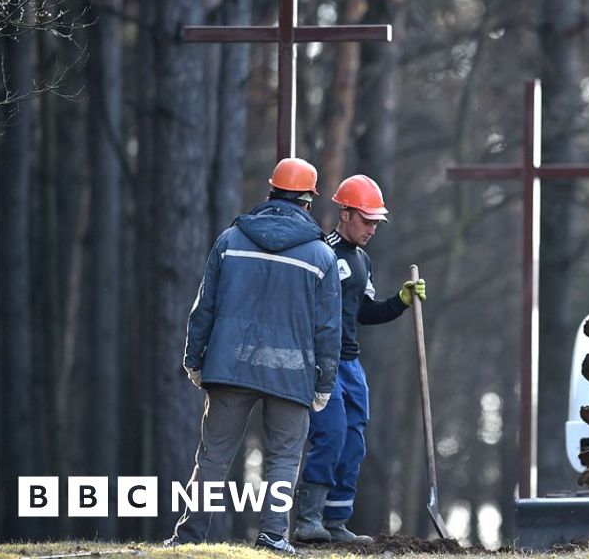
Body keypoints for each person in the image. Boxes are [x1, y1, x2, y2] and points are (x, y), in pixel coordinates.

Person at [165, 158, 342, 555]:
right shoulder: (321, 256)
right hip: (291, 372)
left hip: (229, 364)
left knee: (213, 456)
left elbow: (204, 306)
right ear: (307, 201)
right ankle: (273, 536)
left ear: (270, 193)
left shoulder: (230, 240)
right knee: (284, 458)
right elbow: (328, 329)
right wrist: (324, 383)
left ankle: (190, 537)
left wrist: (195, 359)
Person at [293, 174, 426, 544]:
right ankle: (308, 520)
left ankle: (336, 522)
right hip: (323, 361)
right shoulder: (321, 252)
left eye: (376, 223)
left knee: (353, 442)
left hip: (352, 366)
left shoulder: (364, 261)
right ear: (345, 213)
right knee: (331, 434)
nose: (372, 229)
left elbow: (364, 312)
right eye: (366, 221)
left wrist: (400, 301)